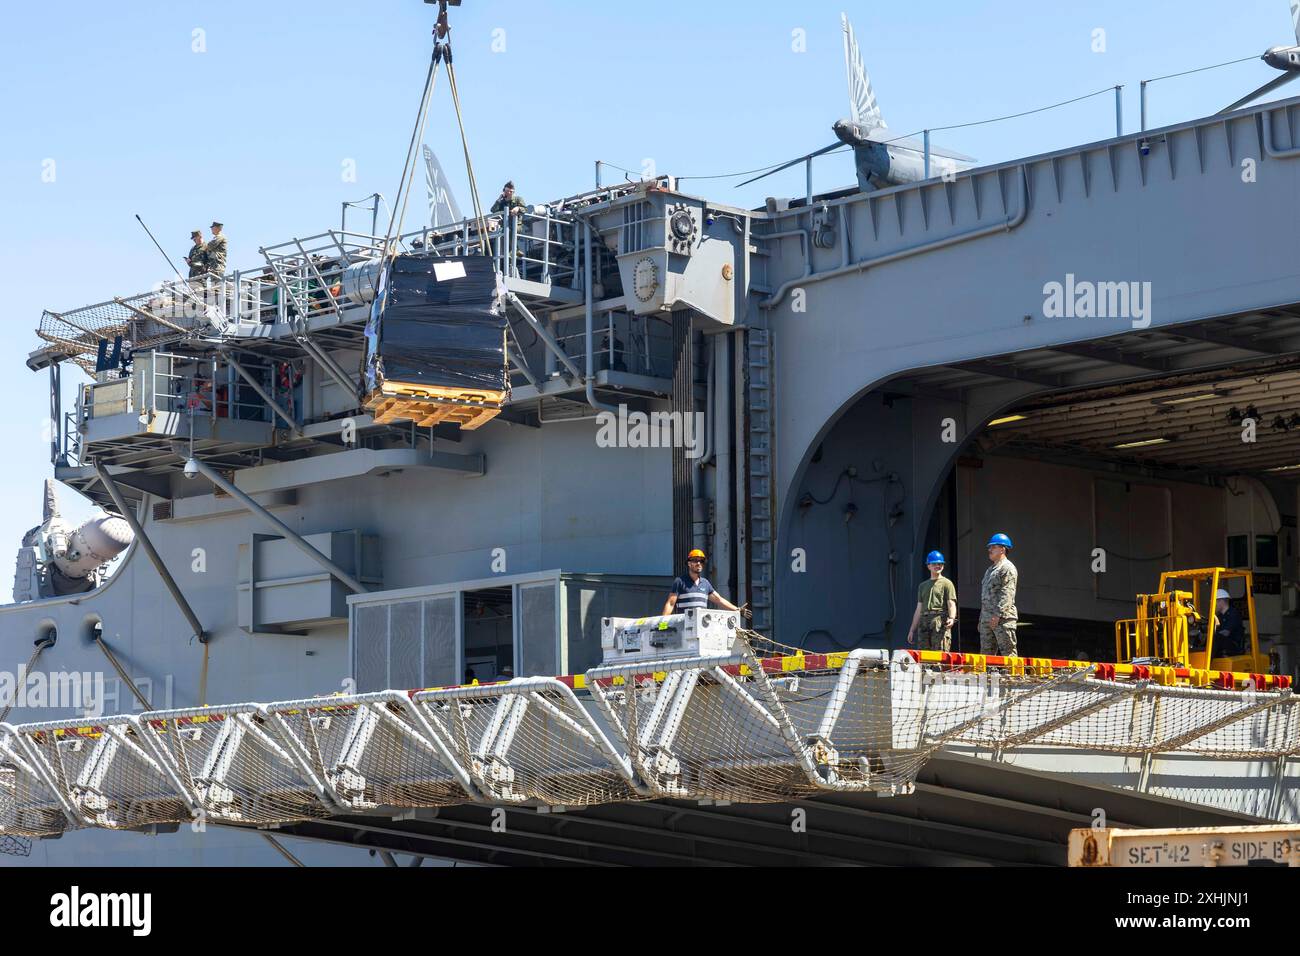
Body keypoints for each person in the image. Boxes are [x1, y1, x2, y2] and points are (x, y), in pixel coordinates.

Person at [662, 548, 750, 619]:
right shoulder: (680, 581)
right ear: (689, 563)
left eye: (701, 561)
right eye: (695, 560)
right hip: (684, 627)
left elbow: (719, 600)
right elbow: (670, 603)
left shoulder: (705, 583)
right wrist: (662, 626)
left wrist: (738, 610)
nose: (699, 563)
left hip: (701, 628)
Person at [907, 550, 957, 651]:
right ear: (928, 566)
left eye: (940, 564)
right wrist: (912, 630)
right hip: (924, 621)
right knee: (924, 655)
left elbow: (951, 603)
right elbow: (918, 609)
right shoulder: (922, 586)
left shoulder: (947, 583)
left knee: (939, 654)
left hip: (939, 620)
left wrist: (952, 618)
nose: (937, 566)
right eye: (934, 564)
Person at [979, 533, 1018, 656]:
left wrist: (997, 615)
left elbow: (1007, 593)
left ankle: (1012, 676)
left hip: (1002, 619)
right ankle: (989, 676)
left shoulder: (1007, 568)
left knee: (1008, 654)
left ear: (1002, 549)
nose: (989, 550)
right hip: (987, 618)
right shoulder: (990, 570)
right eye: (989, 547)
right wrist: (981, 619)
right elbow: (985, 597)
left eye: (993, 547)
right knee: (986, 657)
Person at [1212, 588, 1246, 657]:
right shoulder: (1219, 616)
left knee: (1215, 638)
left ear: (1221, 601)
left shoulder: (1233, 614)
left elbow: (1226, 632)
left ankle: (1208, 661)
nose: (1214, 605)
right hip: (1223, 643)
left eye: (1215, 602)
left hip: (1233, 645)